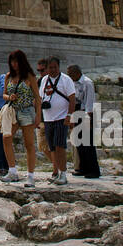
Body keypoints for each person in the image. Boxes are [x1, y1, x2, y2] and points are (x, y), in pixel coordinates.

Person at [0, 50, 39, 183]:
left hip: (27, 111)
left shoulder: (29, 76)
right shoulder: (8, 76)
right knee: (6, 138)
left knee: (29, 144)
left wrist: (38, 116)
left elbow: (37, 97)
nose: (14, 64)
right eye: (12, 61)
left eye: (16, 61)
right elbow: (4, 94)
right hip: (13, 111)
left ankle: (31, 175)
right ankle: (12, 171)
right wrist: (9, 97)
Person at [37, 56, 76, 185]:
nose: (53, 70)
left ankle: (64, 173)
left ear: (59, 67)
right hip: (48, 118)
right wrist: (37, 116)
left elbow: (72, 98)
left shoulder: (66, 80)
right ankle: (57, 172)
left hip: (61, 117)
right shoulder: (44, 80)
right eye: (50, 67)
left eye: (55, 67)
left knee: (60, 146)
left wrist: (69, 115)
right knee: (52, 147)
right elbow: (40, 98)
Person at [68, 64, 101, 179]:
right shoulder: (72, 83)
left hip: (86, 113)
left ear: (77, 73)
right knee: (79, 143)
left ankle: (93, 169)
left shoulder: (87, 83)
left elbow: (89, 101)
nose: (69, 76)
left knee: (88, 143)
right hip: (76, 112)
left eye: (71, 74)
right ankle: (83, 167)